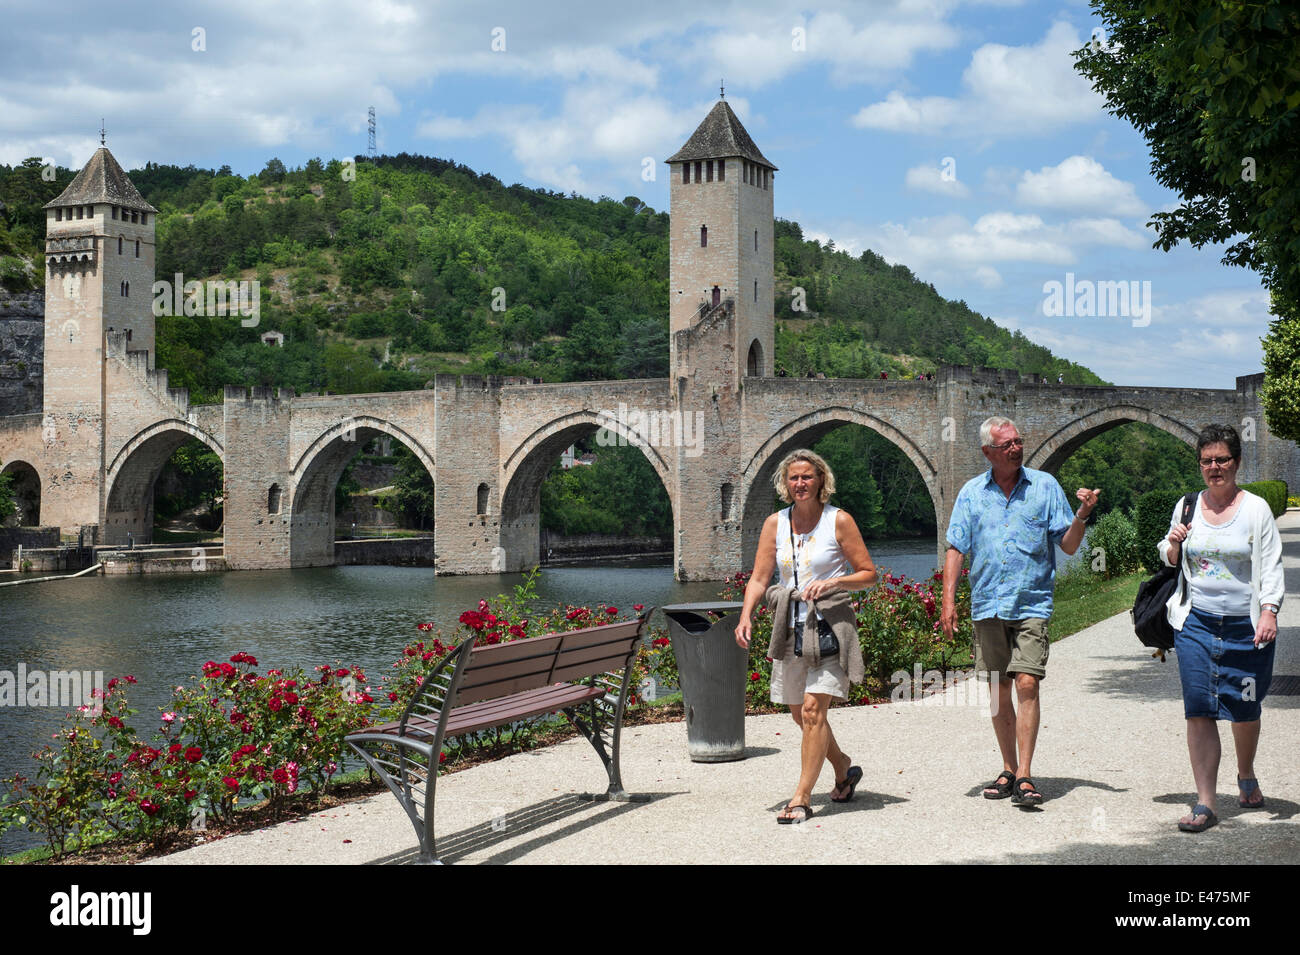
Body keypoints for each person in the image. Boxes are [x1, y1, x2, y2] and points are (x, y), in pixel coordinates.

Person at [940, 417, 1098, 806]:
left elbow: (1070, 546)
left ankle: (1025, 775)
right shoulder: (971, 493)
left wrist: (1081, 515)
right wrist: (948, 601)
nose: (1016, 448)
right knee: (998, 690)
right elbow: (956, 547)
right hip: (987, 603)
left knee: (1027, 682)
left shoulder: (1044, 486)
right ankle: (1008, 768)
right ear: (988, 452)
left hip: (1032, 602)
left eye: (1018, 441)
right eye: (1007, 444)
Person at [734, 449, 878, 823]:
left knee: (815, 711)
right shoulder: (774, 524)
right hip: (789, 625)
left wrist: (835, 581)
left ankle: (801, 797)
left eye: (807, 477)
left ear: (821, 481)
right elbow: (760, 578)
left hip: (829, 624)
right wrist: (746, 614)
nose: (800, 483)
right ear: (786, 484)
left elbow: (868, 573)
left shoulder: (839, 521)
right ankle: (843, 767)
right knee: (800, 714)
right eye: (794, 478)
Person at [1157, 424, 1283, 833]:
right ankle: (1206, 803)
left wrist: (1268, 610)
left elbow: (1271, 564)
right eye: (1207, 461)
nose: (1214, 467)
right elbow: (1171, 558)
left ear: (1236, 463)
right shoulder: (1188, 505)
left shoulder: (1256, 509)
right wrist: (1173, 544)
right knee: (1199, 709)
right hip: (1195, 621)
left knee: (1244, 708)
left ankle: (1245, 772)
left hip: (1245, 627)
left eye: (1222, 460)